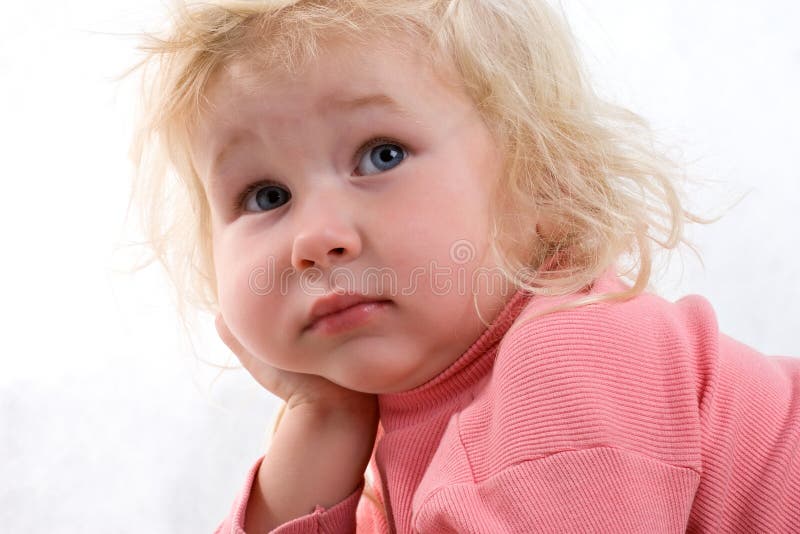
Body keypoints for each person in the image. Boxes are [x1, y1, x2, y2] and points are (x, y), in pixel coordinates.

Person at [125, 0, 799, 532]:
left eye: (380, 155)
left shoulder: (573, 354)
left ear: (543, 182)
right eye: (265, 196)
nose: (315, 238)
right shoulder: (401, 416)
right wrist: (325, 418)